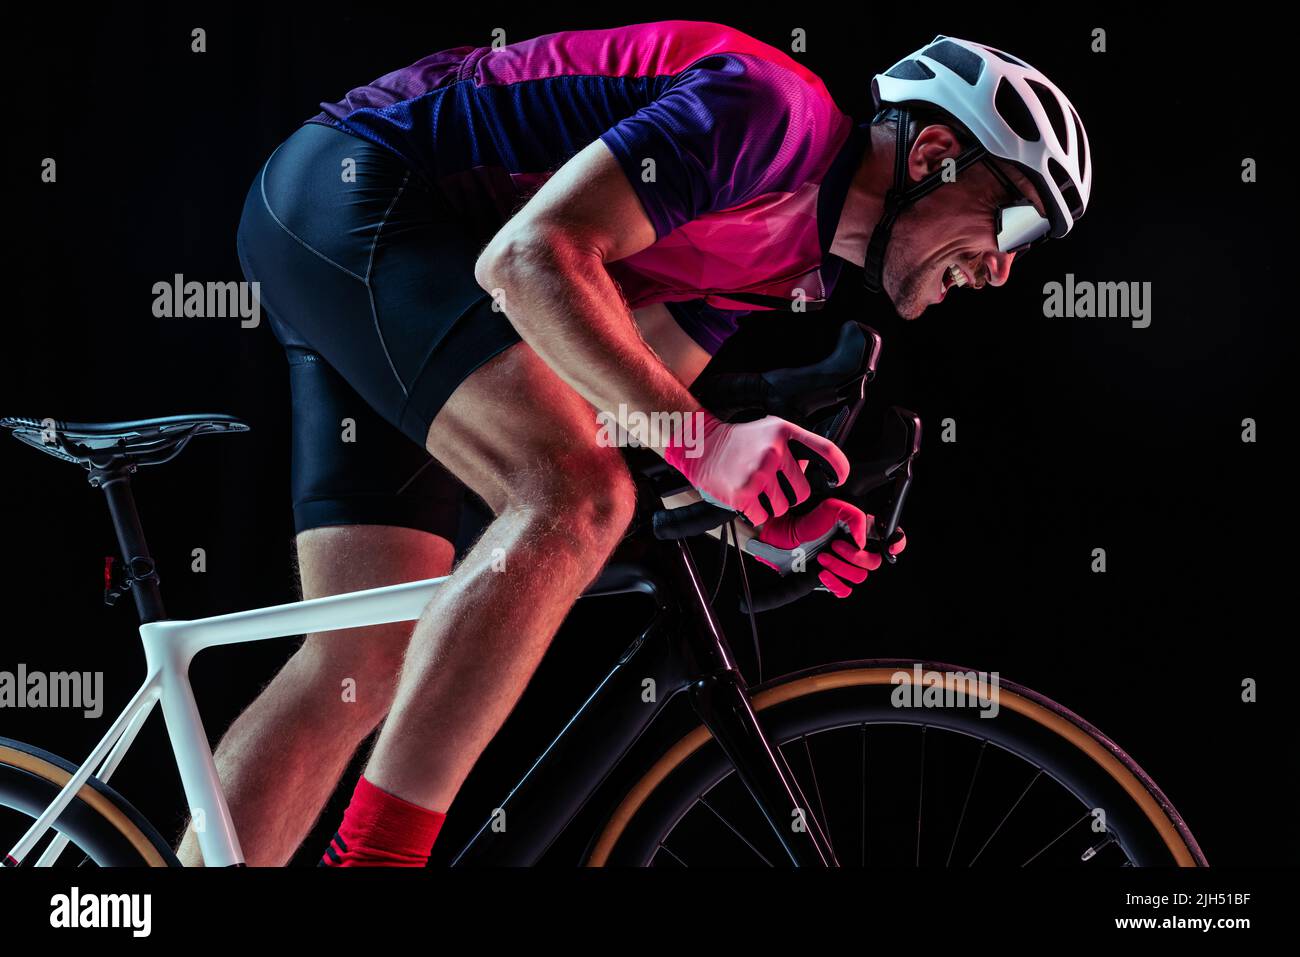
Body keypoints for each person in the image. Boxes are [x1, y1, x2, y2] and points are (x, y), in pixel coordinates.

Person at [177, 22, 1089, 866]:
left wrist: (753, 516)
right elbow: (529, 261)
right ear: (934, 154)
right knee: (574, 496)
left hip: (405, 259)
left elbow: (610, 405)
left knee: (360, 653)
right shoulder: (772, 119)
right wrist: (708, 447)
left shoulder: (790, 269)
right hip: (360, 185)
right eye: (1014, 223)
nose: (1002, 268)